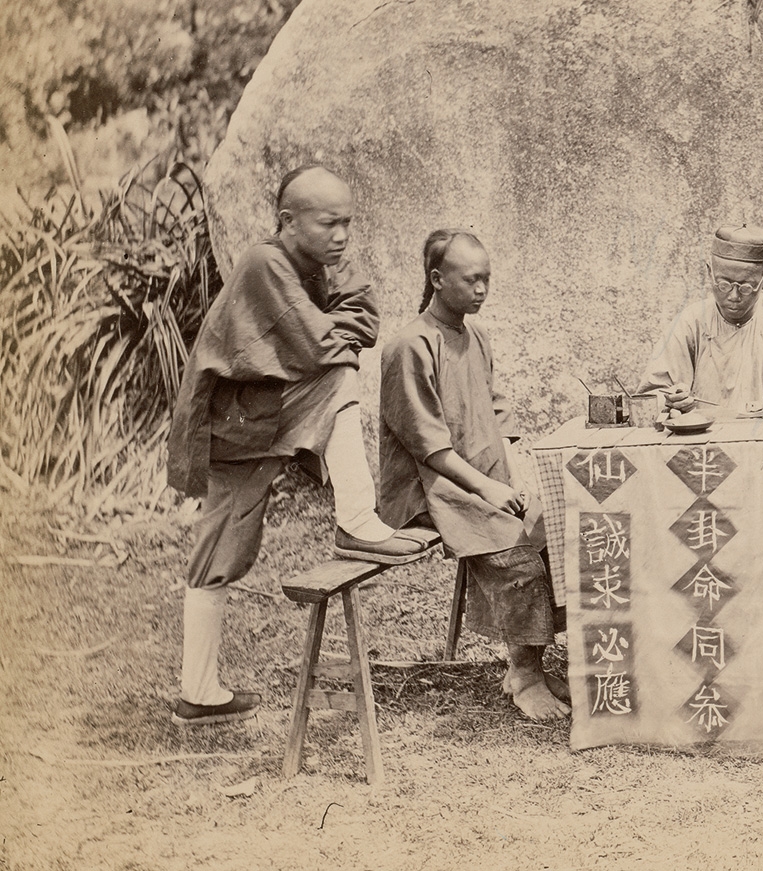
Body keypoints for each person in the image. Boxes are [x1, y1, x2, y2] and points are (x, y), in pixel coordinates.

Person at [167, 164, 426, 727]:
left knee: (337, 374)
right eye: (329, 223)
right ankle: (198, 693)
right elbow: (321, 343)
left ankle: (358, 519)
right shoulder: (264, 262)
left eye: (347, 224)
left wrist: (323, 333)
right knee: (220, 554)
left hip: (275, 409)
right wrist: (322, 334)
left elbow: (362, 324)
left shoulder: (326, 261)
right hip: (238, 424)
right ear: (288, 221)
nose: (342, 236)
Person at [377, 230, 568, 721]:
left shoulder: (476, 335)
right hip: (431, 488)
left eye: (487, 279)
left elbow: (495, 416)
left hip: (484, 477)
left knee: (554, 535)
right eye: (472, 279)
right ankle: (524, 677)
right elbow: (428, 445)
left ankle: (527, 664)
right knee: (518, 559)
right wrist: (486, 488)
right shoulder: (410, 345)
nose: (482, 289)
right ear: (437, 280)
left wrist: (516, 473)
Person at [637, 223, 763, 415]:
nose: (733, 296)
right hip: (701, 441)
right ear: (710, 272)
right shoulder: (689, 323)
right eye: (723, 284)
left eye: (746, 287)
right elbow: (649, 399)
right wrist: (671, 400)